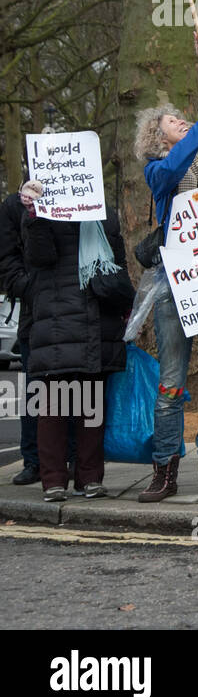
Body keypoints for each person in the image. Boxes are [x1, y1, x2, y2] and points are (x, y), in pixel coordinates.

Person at [136, 32, 198, 500]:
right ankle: (165, 469)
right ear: (158, 137)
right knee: (172, 384)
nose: (183, 122)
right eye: (174, 121)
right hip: (177, 288)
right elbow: (175, 168)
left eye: (183, 119)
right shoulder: (158, 172)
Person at [18, 183, 133, 501]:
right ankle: (61, 479)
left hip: (91, 320)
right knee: (57, 406)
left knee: (87, 407)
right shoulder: (42, 212)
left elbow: (117, 261)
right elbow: (38, 256)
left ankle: (82, 478)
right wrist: (35, 214)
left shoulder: (105, 213)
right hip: (59, 320)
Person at [1, 181, 41, 485]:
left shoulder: (79, 200)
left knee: (77, 391)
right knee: (35, 391)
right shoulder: (13, 206)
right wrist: (27, 287)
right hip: (35, 310)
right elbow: (7, 259)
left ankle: (72, 459)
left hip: (73, 309)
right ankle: (33, 460)